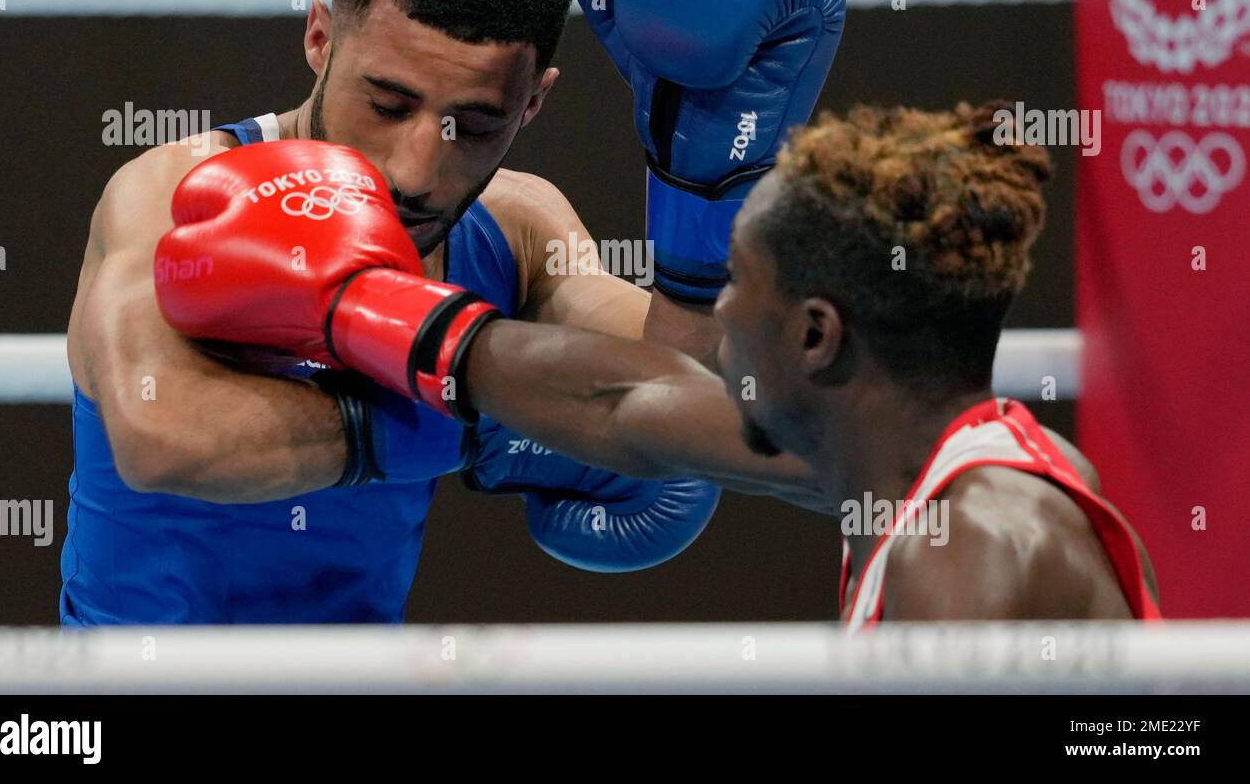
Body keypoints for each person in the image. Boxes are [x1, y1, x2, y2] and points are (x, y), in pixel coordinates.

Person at [64, 0, 845, 623]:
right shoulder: (175, 193)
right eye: (388, 102)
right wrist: (482, 411)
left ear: (533, 103)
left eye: (473, 126)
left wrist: (702, 193)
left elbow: (705, 397)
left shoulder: (519, 228)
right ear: (319, 38)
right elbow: (160, 435)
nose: (417, 171)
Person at [163, 102, 1160, 625]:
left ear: (815, 335)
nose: (713, 313)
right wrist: (373, 317)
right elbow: (631, 399)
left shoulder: (970, 539)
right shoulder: (929, 481)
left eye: (738, 287)